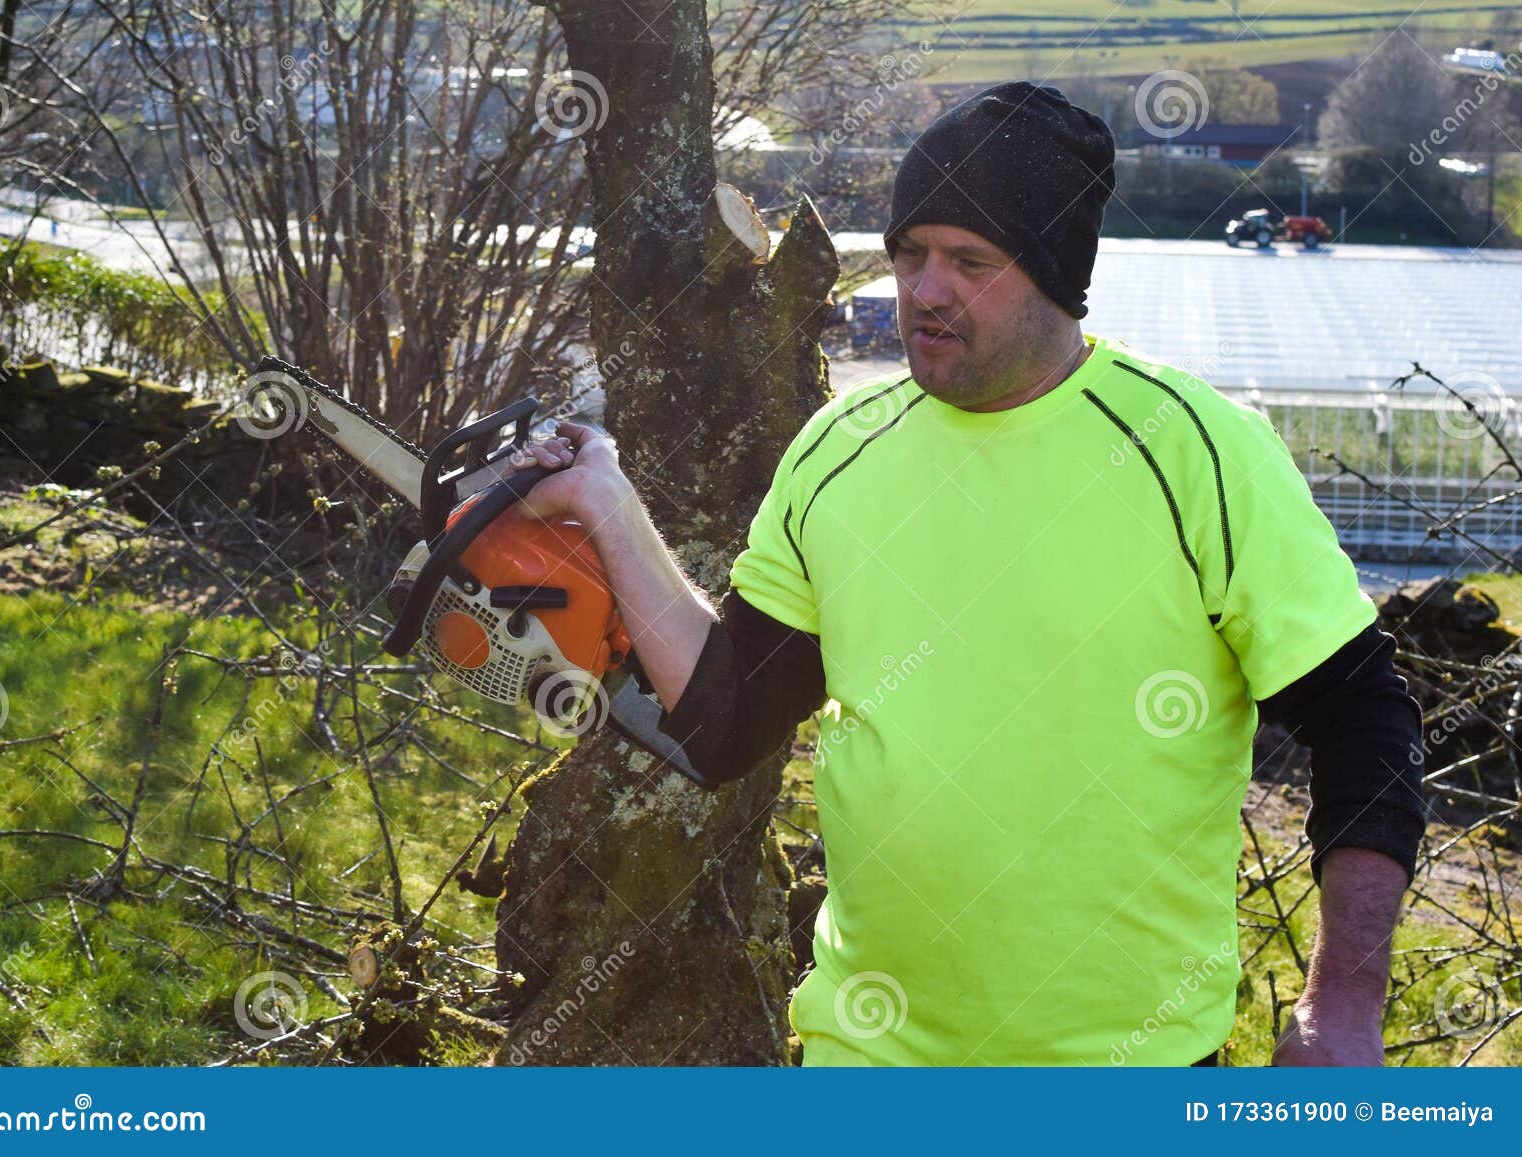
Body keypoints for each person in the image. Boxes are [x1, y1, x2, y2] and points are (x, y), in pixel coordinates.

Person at [506, 82, 1426, 1066]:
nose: (925, 288)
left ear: (1054, 276)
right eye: (910, 254)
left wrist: (1341, 1004)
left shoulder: (1194, 451)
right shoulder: (836, 453)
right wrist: (606, 504)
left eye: (969, 261)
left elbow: (1364, 720)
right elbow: (727, 717)